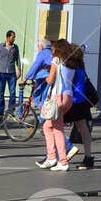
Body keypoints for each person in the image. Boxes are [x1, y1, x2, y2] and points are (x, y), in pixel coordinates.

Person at [38, 38, 77, 171]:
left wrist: (44, 77)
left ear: (58, 49)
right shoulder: (71, 63)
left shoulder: (56, 61)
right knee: (48, 126)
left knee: (57, 129)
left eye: (54, 47)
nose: (52, 50)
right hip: (69, 98)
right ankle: (52, 157)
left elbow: (50, 80)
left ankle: (61, 161)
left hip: (58, 97)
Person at [64, 43, 94, 170]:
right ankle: (88, 157)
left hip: (73, 101)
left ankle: (65, 149)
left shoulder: (71, 68)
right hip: (82, 102)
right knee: (84, 129)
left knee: (52, 126)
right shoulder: (81, 68)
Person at [0, 30, 21, 117]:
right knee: (1, 92)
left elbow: (18, 60)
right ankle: (0, 110)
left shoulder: (15, 48)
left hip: (12, 74)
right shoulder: (0, 47)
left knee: (12, 93)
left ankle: (11, 111)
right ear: (8, 37)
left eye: (14, 37)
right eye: (13, 37)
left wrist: (19, 70)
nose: (14, 38)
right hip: (1, 73)